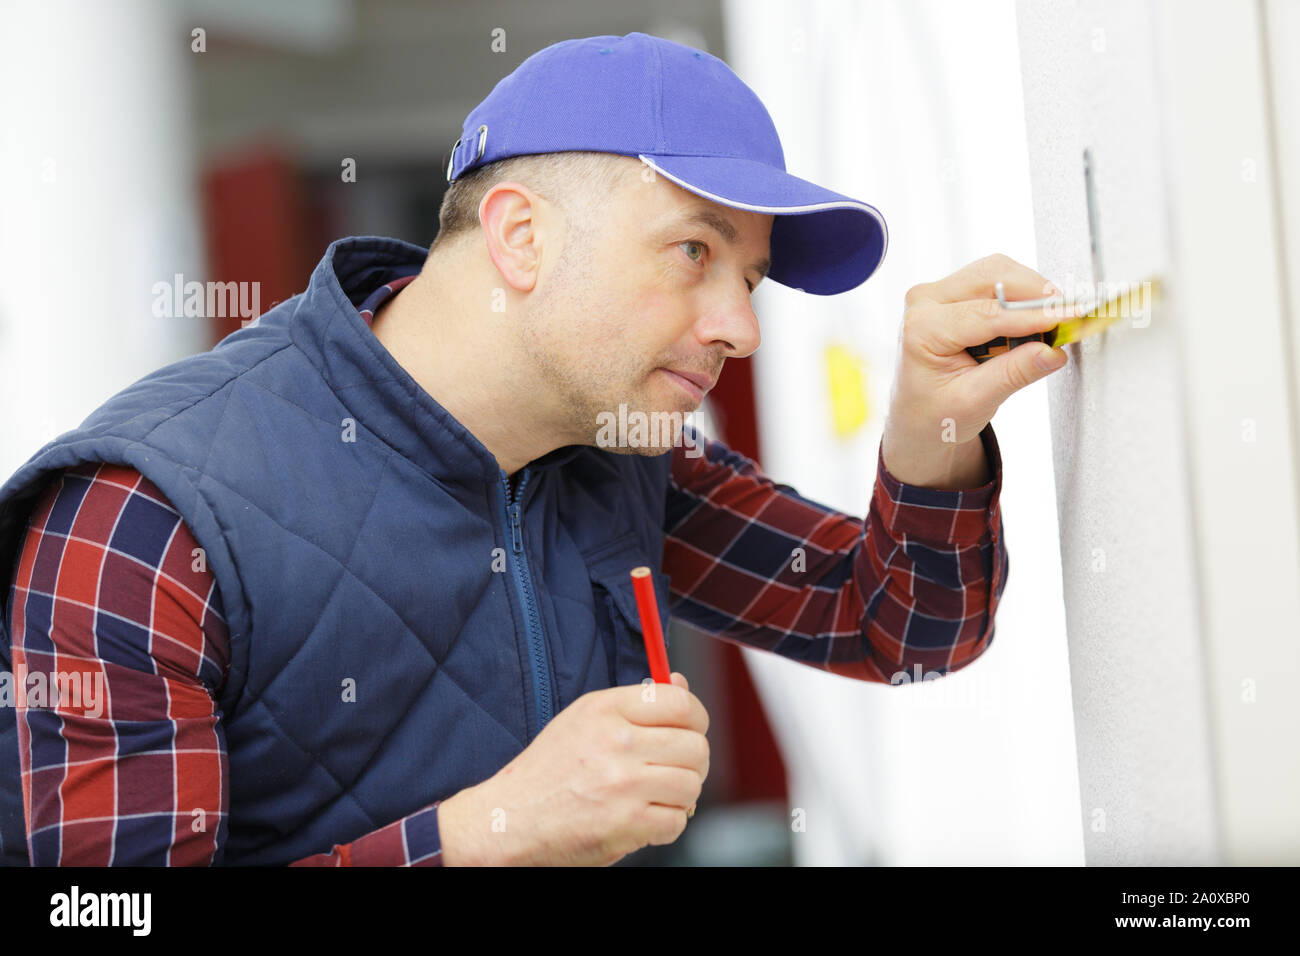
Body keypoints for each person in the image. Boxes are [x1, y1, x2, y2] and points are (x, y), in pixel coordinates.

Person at [0, 31, 1067, 867]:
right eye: (693, 250)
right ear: (519, 237)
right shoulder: (145, 519)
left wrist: (934, 422)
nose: (739, 327)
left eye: (746, 276)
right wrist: (490, 828)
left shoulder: (616, 447)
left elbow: (899, 625)